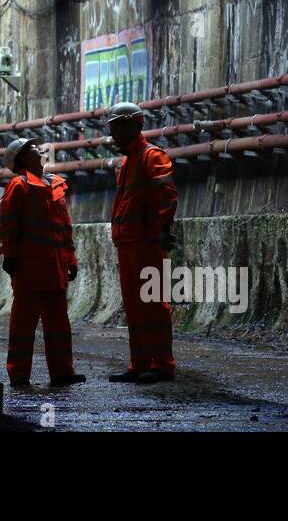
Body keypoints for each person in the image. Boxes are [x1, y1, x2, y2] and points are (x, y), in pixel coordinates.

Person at [0, 137, 86, 387]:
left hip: (55, 267)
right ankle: (19, 374)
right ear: (23, 158)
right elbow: (9, 226)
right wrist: (10, 256)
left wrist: (71, 258)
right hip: (29, 267)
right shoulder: (19, 186)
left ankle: (62, 373)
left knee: (59, 325)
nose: (40, 151)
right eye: (34, 149)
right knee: (23, 326)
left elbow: (64, 229)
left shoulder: (55, 185)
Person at [105, 102, 179, 384]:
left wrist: (163, 228)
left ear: (135, 125)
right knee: (134, 305)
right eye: (112, 128)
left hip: (147, 242)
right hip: (128, 243)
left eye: (117, 127)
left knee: (152, 303)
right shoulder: (127, 163)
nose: (113, 134)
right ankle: (139, 363)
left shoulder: (151, 156)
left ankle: (162, 364)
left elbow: (167, 194)